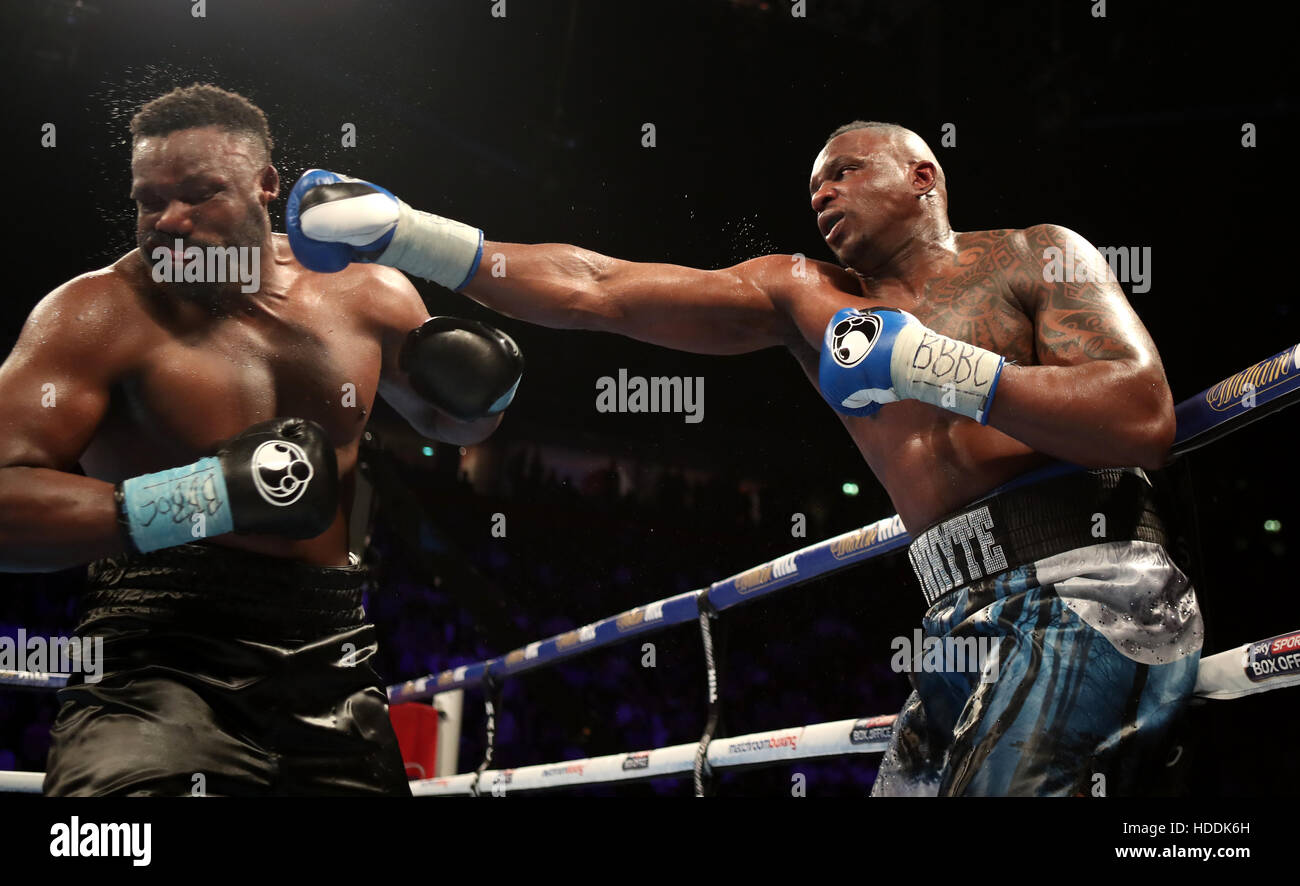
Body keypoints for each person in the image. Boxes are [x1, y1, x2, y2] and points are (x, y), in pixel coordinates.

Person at [288, 120, 1203, 796]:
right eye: (813, 188)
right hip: (955, 615)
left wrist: (928, 362)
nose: (822, 196)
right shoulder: (805, 297)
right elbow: (601, 289)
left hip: (1086, 580)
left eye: (844, 173)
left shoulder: (1038, 255)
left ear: (924, 172)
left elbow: (1139, 413)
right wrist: (409, 234)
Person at [0, 84, 523, 796]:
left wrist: (485, 393)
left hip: (333, 655)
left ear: (266, 184)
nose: (169, 222)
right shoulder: (93, 314)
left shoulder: (370, 296)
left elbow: (454, 423)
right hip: (158, 653)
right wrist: (202, 497)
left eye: (198, 194)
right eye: (148, 200)